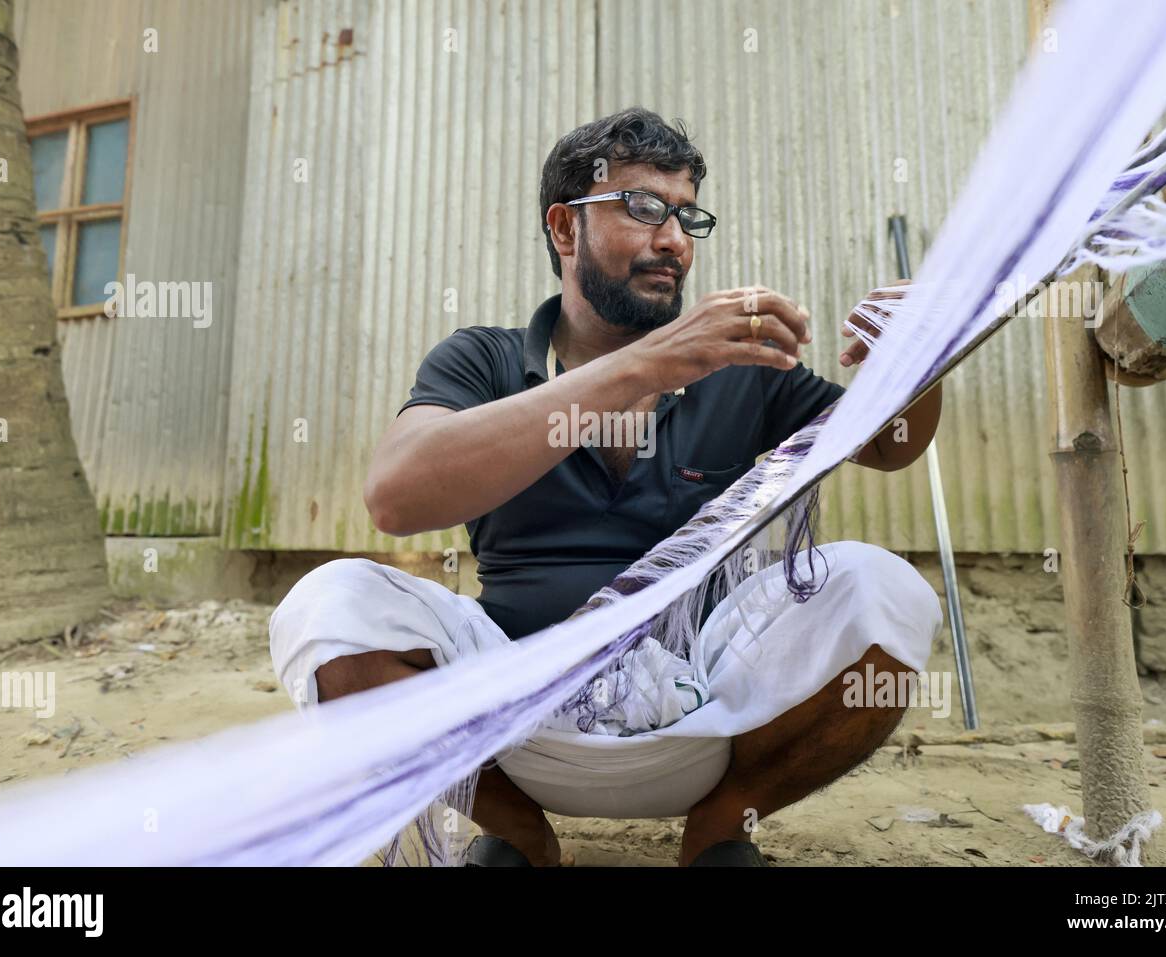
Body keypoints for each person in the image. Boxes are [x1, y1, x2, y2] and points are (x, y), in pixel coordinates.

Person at [270, 106, 945, 867]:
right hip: (509, 726)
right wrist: (649, 364)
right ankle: (519, 835)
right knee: (329, 604)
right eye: (644, 208)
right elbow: (395, 497)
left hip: (707, 715)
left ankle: (722, 827)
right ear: (565, 228)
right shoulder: (483, 361)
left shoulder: (739, 366)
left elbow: (889, 443)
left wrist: (916, 364)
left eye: (688, 216)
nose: (673, 240)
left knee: (888, 588)